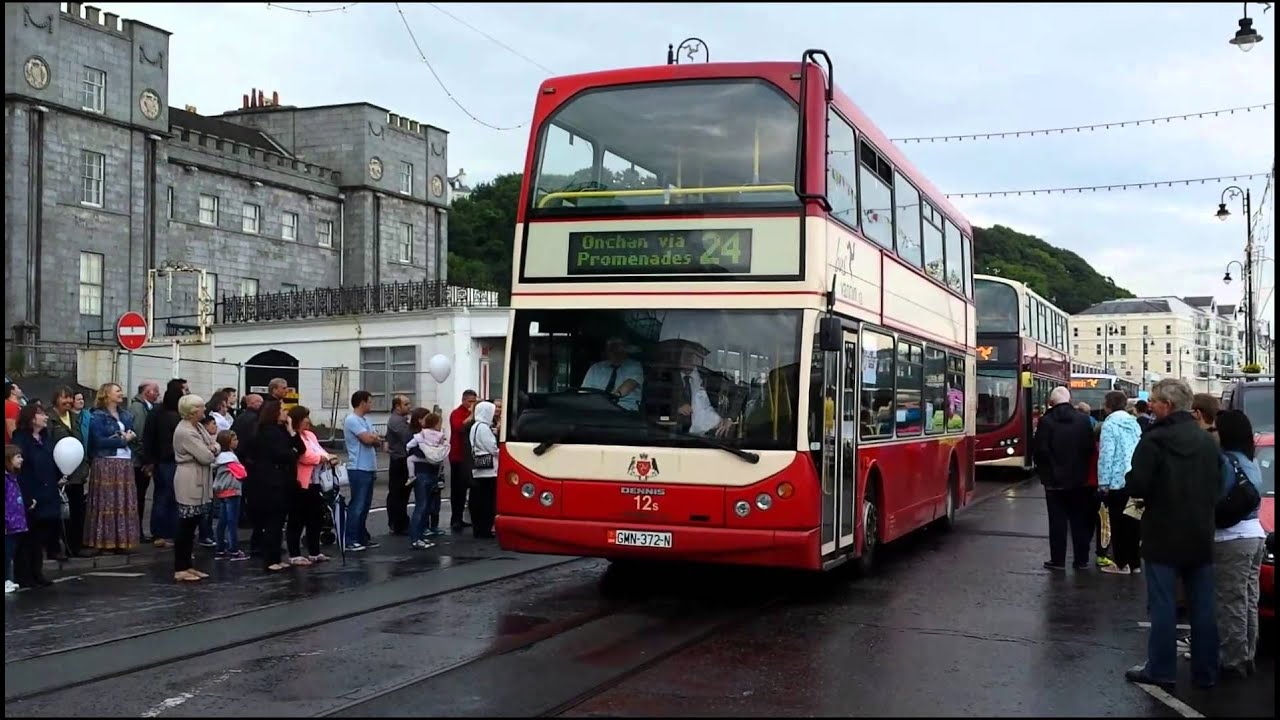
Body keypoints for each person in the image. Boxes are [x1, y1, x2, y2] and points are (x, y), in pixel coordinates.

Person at [1125, 378, 1221, 691]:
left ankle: (1161, 669)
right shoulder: (1207, 441)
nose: (1149, 405)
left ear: (1166, 405)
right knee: (1203, 608)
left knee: (1163, 606)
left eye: (1153, 401)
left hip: (1162, 533)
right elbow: (1219, 486)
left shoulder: (1155, 441)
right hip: (1200, 532)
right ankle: (1206, 672)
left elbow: (1137, 485)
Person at [1212, 409, 1266, 679]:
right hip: (1255, 534)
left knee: (1230, 601)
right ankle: (1247, 655)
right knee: (1247, 599)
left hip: (1231, 537)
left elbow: (1216, 497)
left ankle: (1232, 660)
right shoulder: (1250, 461)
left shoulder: (1225, 462)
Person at [1032, 386, 1096, 570]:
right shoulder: (1083, 420)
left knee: (1057, 522)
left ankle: (1058, 560)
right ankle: (1081, 560)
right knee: (1079, 521)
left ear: (1051, 402)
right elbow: (1089, 448)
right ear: (1070, 400)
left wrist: (1046, 473)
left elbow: (1040, 450)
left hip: (1054, 481)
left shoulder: (1046, 421)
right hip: (1079, 480)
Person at [85, 383, 139, 553]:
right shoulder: (97, 416)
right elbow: (99, 441)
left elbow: (132, 435)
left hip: (124, 461)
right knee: (107, 501)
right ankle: (104, 540)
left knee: (123, 501)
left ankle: (122, 540)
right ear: (106, 395)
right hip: (106, 460)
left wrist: (130, 438)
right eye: (117, 391)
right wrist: (123, 440)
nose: (121, 394)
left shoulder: (126, 415)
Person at [11, 406, 59, 588]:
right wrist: (27, 496)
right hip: (29, 491)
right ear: (31, 418)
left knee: (39, 537)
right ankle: (24, 575)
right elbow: (20, 470)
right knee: (26, 537)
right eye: (41, 414)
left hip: (47, 491)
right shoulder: (21, 438)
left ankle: (37, 572)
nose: (45, 417)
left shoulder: (46, 438)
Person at [251, 401, 302, 572]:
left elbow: (299, 448)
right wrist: (292, 453)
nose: (285, 413)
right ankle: (270, 559)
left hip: (283, 480)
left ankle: (276, 557)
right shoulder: (268, 432)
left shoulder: (281, 431)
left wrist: (291, 431)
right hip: (272, 482)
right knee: (273, 521)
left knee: (279, 521)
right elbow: (284, 454)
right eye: (281, 410)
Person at [172, 394, 216, 582]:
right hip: (189, 477)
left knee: (194, 523)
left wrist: (212, 448)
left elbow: (213, 445)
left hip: (200, 475)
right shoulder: (185, 431)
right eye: (201, 408)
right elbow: (207, 455)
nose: (204, 410)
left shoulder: (197, 426)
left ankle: (188, 566)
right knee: (186, 524)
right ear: (192, 411)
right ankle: (180, 567)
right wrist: (212, 449)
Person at [1097, 390, 1143, 575]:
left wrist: (1103, 483)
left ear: (1108, 406)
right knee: (1134, 524)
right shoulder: (1135, 424)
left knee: (1117, 525)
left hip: (1117, 483)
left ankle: (1122, 563)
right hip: (1136, 481)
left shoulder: (1109, 425)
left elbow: (1107, 454)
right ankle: (1135, 563)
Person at [48, 388, 89, 558]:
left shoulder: (75, 418)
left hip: (77, 473)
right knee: (58, 514)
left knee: (77, 511)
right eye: (64, 397)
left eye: (70, 397)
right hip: (58, 473)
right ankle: (56, 548)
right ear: (56, 399)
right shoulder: (50, 419)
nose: (68, 401)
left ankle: (75, 547)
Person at [289, 405, 332, 566]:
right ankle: (294, 553)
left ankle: (315, 551)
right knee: (297, 518)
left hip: (315, 481)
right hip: (301, 483)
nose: (308, 420)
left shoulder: (310, 435)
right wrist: (321, 458)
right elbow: (305, 457)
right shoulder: (294, 437)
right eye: (305, 417)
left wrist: (327, 456)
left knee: (316, 518)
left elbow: (321, 451)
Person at [143, 385, 183, 549]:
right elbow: (150, 437)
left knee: (169, 497)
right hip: (166, 460)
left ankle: (167, 531)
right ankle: (162, 532)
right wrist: (150, 460)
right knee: (165, 497)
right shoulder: (164, 414)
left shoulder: (160, 413)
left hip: (168, 460)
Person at [342, 391, 382, 552]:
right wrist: (373, 438)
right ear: (361, 402)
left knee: (365, 505)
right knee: (357, 505)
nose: (371, 405)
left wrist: (374, 438)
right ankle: (350, 539)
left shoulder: (366, 420)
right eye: (369, 402)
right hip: (358, 467)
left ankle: (361, 536)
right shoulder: (352, 420)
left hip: (369, 467)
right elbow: (367, 439)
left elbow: (377, 440)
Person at [407, 409, 449, 548]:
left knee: (424, 506)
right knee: (422, 506)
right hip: (425, 473)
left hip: (426, 473)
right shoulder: (432, 436)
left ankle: (420, 536)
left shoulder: (421, 436)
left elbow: (411, 448)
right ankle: (416, 538)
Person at [129, 381, 159, 542]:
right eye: (156, 391)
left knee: (140, 497)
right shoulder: (139, 409)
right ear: (148, 392)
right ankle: (137, 532)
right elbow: (139, 436)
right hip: (138, 462)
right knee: (138, 497)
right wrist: (147, 459)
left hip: (141, 460)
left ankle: (138, 531)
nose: (158, 394)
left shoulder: (145, 408)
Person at [212, 430, 247, 561]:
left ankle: (220, 548)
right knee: (232, 522)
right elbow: (242, 473)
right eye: (234, 439)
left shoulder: (219, 457)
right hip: (232, 490)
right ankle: (234, 549)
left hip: (221, 492)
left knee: (222, 521)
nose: (237, 441)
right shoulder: (230, 458)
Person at [448, 390, 478, 533]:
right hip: (458, 456)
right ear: (464, 400)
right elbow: (459, 427)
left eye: (474, 401)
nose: (472, 404)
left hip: (469, 457)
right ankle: (455, 519)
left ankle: (463, 518)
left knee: (470, 487)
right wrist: (472, 414)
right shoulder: (456, 413)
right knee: (458, 490)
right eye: (470, 401)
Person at [384, 395, 414, 536]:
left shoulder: (402, 420)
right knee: (398, 493)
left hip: (402, 459)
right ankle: (397, 523)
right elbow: (408, 437)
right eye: (406, 404)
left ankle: (401, 522)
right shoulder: (396, 421)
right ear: (397, 406)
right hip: (399, 460)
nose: (409, 406)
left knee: (403, 493)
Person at [468, 401, 499, 539]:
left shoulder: (475, 426)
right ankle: (485, 528)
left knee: (478, 498)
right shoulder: (484, 428)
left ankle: (478, 528)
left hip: (478, 465)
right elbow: (491, 447)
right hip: (489, 468)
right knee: (487, 500)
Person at [5, 444, 28, 594]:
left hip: (15, 523)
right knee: (6, 554)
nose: (21, 459)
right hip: (9, 524)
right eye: (18, 457)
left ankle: (8, 579)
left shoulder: (13, 478)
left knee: (9, 553)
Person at [5, 379, 23, 443]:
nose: (20, 390)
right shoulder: (11, 406)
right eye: (18, 388)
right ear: (13, 391)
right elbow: (11, 428)